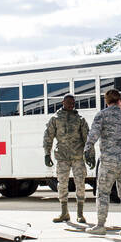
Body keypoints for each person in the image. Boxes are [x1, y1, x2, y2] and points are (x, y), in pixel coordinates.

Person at [84, 89, 121, 236]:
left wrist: (87, 149)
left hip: (109, 160)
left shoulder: (102, 115)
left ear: (106, 100)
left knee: (103, 192)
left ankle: (101, 225)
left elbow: (93, 134)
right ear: (119, 100)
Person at [43, 94, 90, 223]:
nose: (71, 105)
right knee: (62, 184)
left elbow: (87, 138)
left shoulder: (80, 119)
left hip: (78, 157)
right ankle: (64, 212)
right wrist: (47, 153)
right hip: (62, 157)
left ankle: (80, 213)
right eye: (68, 102)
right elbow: (48, 136)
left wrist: (89, 154)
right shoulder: (55, 119)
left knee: (80, 184)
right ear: (63, 102)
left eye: (73, 103)